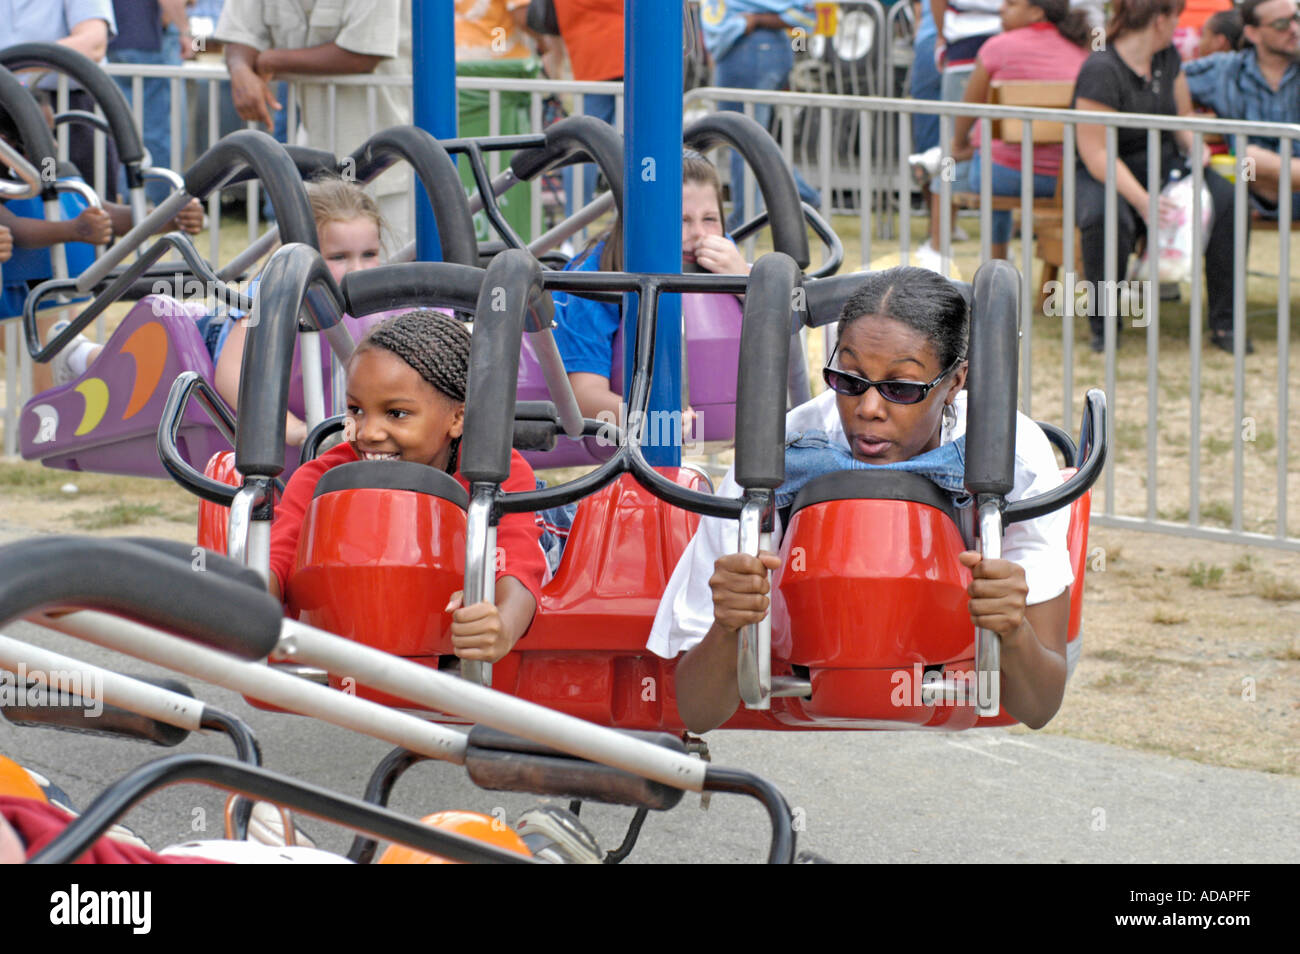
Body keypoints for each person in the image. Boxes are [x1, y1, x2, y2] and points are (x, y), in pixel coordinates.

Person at [649, 266, 1074, 734]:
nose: (868, 408)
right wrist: (728, 627)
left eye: (901, 388)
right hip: (802, 692)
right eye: (849, 380)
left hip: (950, 682)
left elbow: (1038, 706)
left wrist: (1013, 629)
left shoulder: (1017, 459)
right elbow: (696, 711)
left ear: (955, 383)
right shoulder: (775, 456)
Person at [267, 310, 547, 663]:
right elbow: (279, 555)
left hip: (545, 533)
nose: (367, 432)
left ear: (457, 418)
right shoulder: (321, 478)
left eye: (396, 413)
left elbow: (518, 561)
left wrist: (504, 624)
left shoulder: (495, 473)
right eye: (356, 410)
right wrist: (253, 600)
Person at [49, 175, 378, 448]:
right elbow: (231, 375)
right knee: (135, 364)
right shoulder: (277, 289)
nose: (357, 269)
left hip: (266, 361)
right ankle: (80, 355)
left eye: (369, 254)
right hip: (201, 346)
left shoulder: (373, 300)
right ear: (304, 251)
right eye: (338, 257)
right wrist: (293, 430)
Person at [1072, 0, 1242, 353]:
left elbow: (1182, 117)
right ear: (1160, 20)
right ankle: (1105, 326)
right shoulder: (1101, 68)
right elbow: (1097, 154)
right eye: (1177, 17)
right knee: (1106, 216)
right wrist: (1143, 201)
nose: (1180, 25)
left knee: (1229, 199)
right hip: (1106, 171)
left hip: (1164, 165)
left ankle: (1225, 324)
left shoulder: (1168, 59)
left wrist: (1196, 147)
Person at [550, 152, 748, 423]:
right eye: (682, 220)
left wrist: (747, 283)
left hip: (703, 423)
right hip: (608, 426)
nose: (700, 234)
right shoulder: (596, 277)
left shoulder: (723, 255)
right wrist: (656, 425)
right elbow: (583, 398)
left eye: (710, 219)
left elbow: (792, 325)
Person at [214, 0, 414, 250]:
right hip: (317, 157)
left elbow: (362, 55)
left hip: (386, 166)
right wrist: (240, 68)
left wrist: (271, 61)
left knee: (387, 275)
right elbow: (240, 33)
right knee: (313, 269)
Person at [948, 0, 1092, 261]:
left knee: (965, 166)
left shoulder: (997, 47)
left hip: (1005, 177)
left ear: (1037, 11)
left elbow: (968, 109)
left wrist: (958, 145)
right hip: (1065, 180)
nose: (1001, 8)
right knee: (993, 154)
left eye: (1012, 3)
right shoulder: (1083, 51)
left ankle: (994, 255)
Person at [699, 0, 822, 230]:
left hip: (749, 47)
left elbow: (802, 15)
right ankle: (803, 196)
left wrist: (756, 21)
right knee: (752, 138)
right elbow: (802, 18)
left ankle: (745, 222)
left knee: (742, 140)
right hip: (756, 47)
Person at [1183, 0, 1300, 220]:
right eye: (1281, 24)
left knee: (1252, 157)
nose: (1294, 29)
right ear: (1253, 33)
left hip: (1263, 190)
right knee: (1250, 159)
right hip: (1255, 193)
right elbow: (1167, 78)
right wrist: (1185, 120)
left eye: (1296, 19)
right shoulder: (1225, 71)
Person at [0, 1, 122, 203]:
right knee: (36, 199)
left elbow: (93, 42)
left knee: (73, 196)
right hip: (12, 110)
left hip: (65, 107)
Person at [108, 0, 192, 205]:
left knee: (122, 129)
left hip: (116, 40)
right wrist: (185, 32)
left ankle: (126, 203)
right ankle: (168, 208)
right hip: (153, 41)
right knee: (163, 133)